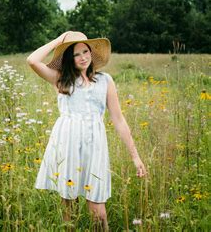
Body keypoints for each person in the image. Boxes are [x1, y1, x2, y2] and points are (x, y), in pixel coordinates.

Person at [26, 31, 147, 230]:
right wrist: (60, 40)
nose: (83, 57)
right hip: (67, 145)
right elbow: (32, 60)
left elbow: (118, 119)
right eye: (76, 54)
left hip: (95, 146)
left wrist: (135, 156)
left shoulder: (105, 80)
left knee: (98, 211)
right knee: (69, 209)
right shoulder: (60, 79)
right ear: (69, 58)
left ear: (91, 53)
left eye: (85, 51)